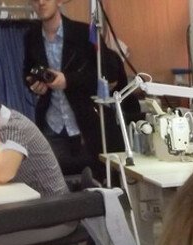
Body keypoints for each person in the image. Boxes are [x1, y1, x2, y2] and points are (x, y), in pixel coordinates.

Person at [24, 0, 134, 172]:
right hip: (52, 125)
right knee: (56, 181)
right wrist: (34, 84)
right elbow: (27, 72)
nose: (41, 2)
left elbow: (108, 74)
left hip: (88, 123)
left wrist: (68, 80)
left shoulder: (84, 33)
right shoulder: (32, 37)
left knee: (97, 178)